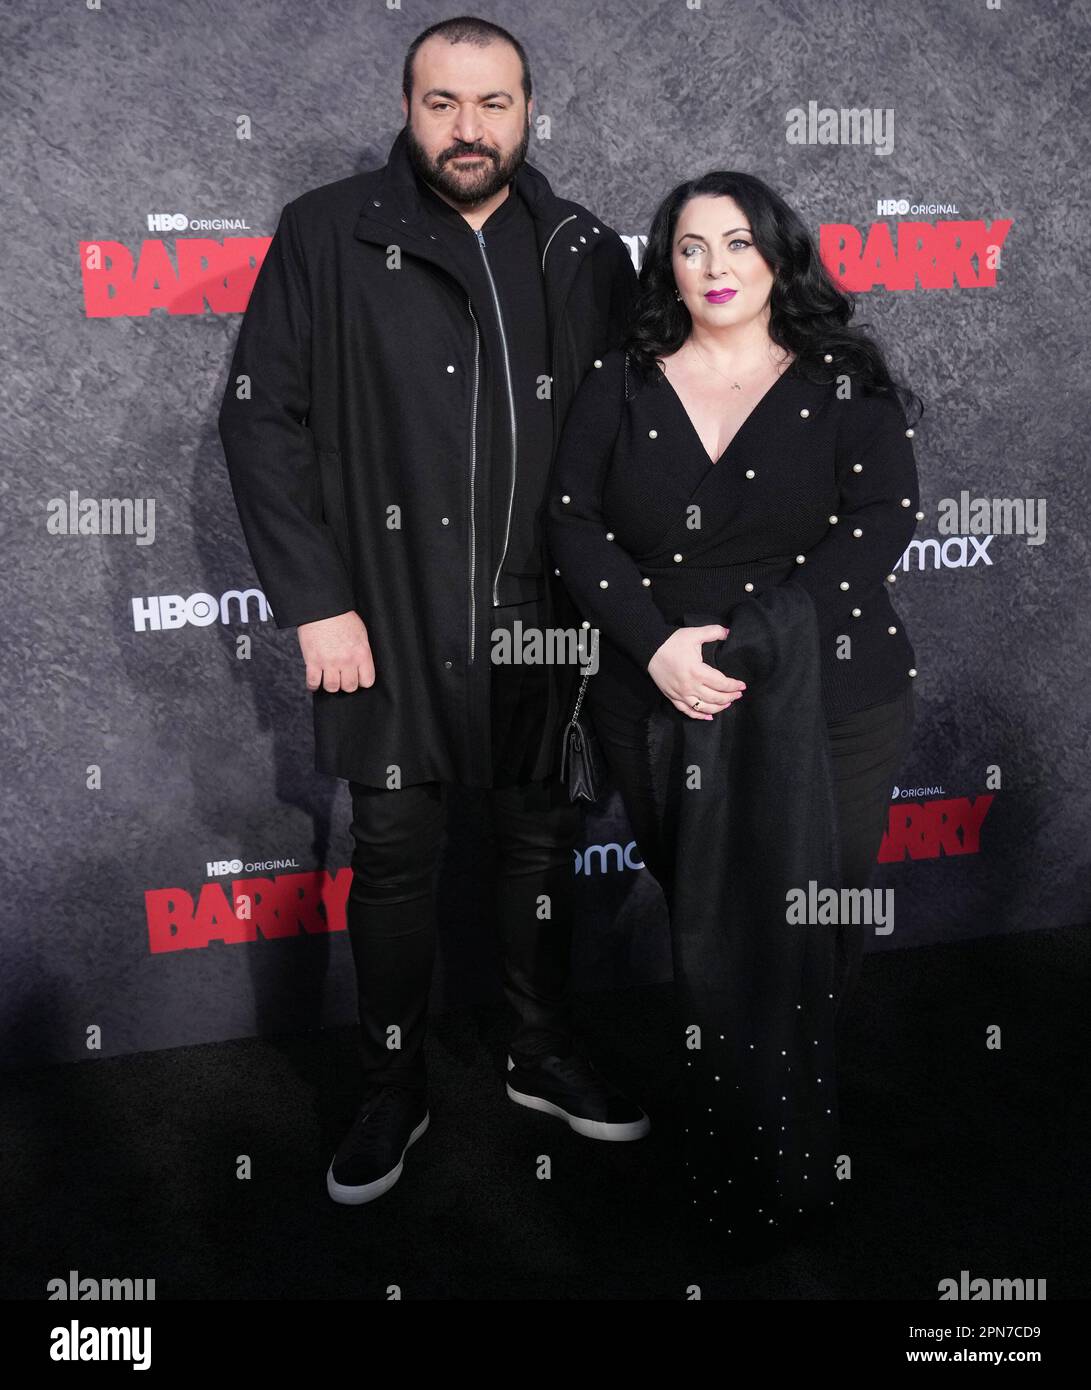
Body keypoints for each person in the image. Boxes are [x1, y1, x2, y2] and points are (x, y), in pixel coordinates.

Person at [218, 16, 650, 1208]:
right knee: (397, 856)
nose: (470, 129)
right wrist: (315, 601)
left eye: (494, 103)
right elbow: (262, 421)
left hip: (540, 613)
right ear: (407, 108)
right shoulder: (327, 230)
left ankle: (539, 1048)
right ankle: (389, 1085)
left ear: (529, 112)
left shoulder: (578, 249)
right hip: (385, 613)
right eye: (443, 103)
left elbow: (629, 437)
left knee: (537, 841)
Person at [544, 170, 922, 1249]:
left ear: (777, 257)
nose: (713, 266)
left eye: (738, 243)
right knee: (714, 925)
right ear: (664, 261)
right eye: (690, 246)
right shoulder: (620, 378)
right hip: (660, 695)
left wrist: (764, 636)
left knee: (814, 924)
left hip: (834, 697)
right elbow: (571, 524)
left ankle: (787, 1133)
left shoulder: (842, 374)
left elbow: (881, 517)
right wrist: (655, 644)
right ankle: (740, 1125)